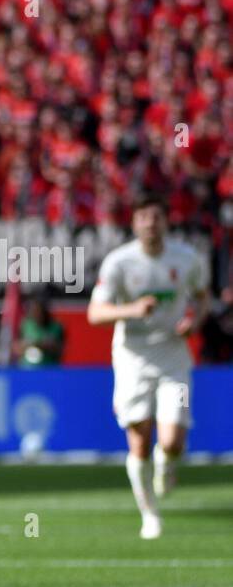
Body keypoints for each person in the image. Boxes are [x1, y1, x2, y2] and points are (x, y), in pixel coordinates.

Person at [88, 195, 208, 539]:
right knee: (138, 442)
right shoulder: (119, 262)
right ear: (134, 223)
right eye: (143, 217)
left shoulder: (187, 259)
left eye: (156, 216)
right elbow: (95, 314)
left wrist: (195, 321)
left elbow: (202, 296)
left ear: (165, 222)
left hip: (174, 357)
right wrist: (132, 310)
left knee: (173, 440)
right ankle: (150, 514)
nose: (149, 223)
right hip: (132, 359)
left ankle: (167, 463)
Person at [15, 293, 66, 367]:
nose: (36, 314)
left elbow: (60, 349)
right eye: (33, 311)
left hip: (49, 369)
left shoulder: (56, 327)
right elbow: (17, 347)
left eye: (38, 311)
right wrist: (27, 345)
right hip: (27, 370)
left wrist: (43, 345)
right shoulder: (25, 325)